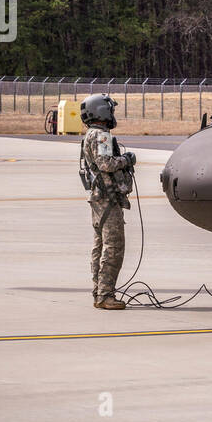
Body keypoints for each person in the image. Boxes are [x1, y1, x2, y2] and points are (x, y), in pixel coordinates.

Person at [79, 94, 135, 310]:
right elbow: (106, 164)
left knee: (100, 245)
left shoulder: (90, 134)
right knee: (113, 246)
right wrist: (126, 160)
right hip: (107, 198)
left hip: (97, 198)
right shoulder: (101, 136)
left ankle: (99, 292)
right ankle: (105, 295)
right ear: (101, 111)